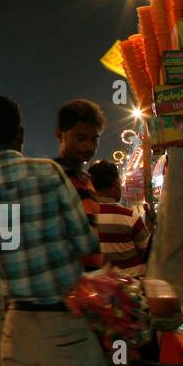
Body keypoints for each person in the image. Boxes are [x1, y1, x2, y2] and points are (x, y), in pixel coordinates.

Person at [0, 95, 109, 366]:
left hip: (17, 326)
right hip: (64, 318)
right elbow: (86, 241)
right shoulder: (49, 173)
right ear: (22, 133)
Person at [53, 99, 106, 270]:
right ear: (60, 134)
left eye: (94, 139)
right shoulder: (53, 177)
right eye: (81, 138)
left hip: (88, 287)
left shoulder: (86, 180)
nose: (89, 146)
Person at [88, 159, 151, 276]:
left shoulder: (84, 217)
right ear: (116, 184)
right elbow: (148, 253)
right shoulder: (130, 217)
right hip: (131, 284)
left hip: (96, 285)